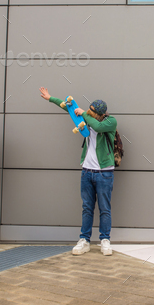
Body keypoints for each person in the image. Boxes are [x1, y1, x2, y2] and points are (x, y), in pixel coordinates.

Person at [40, 87, 117, 256]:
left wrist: (85, 115)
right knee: (87, 207)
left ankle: (105, 240)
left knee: (104, 208)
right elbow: (69, 107)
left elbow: (96, 125)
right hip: (87, 171)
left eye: (92, 112)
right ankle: (84, 240)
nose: (89, 113)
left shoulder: (110, 122)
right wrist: (50, 98)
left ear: (101, 114)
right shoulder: (89, 117)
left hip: (104, 172)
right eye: (89, 110)